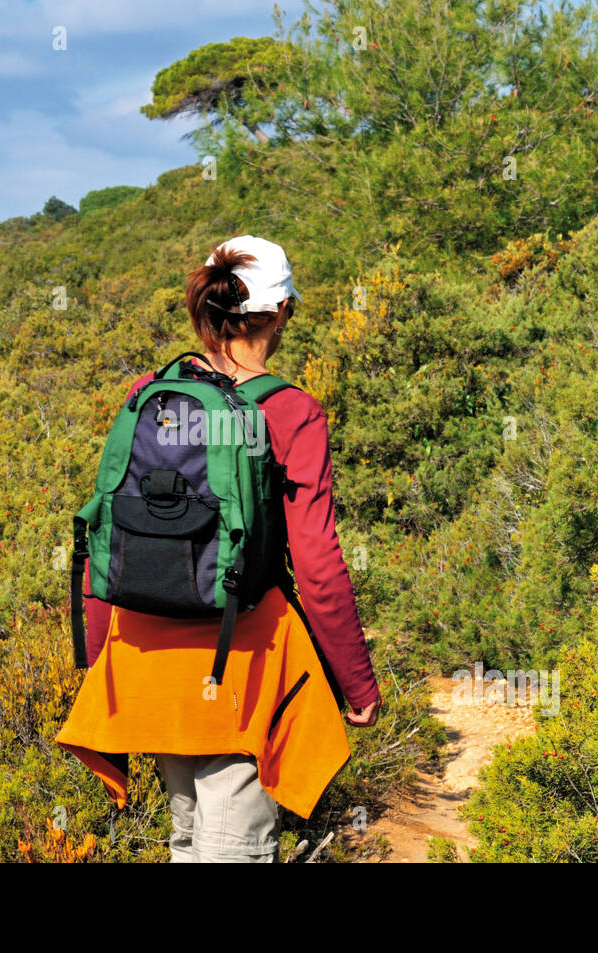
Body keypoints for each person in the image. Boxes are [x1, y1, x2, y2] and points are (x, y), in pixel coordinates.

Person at [56, 234, 381, 863]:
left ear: (208, 310)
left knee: (188, 836)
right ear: (281, 311)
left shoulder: (148, 395)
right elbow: (316, 565)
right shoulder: (292, 412)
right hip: (241, 663)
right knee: (236, 847)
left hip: (147, 658)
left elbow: (106, 533)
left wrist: (101, 657)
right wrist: (357, 683)